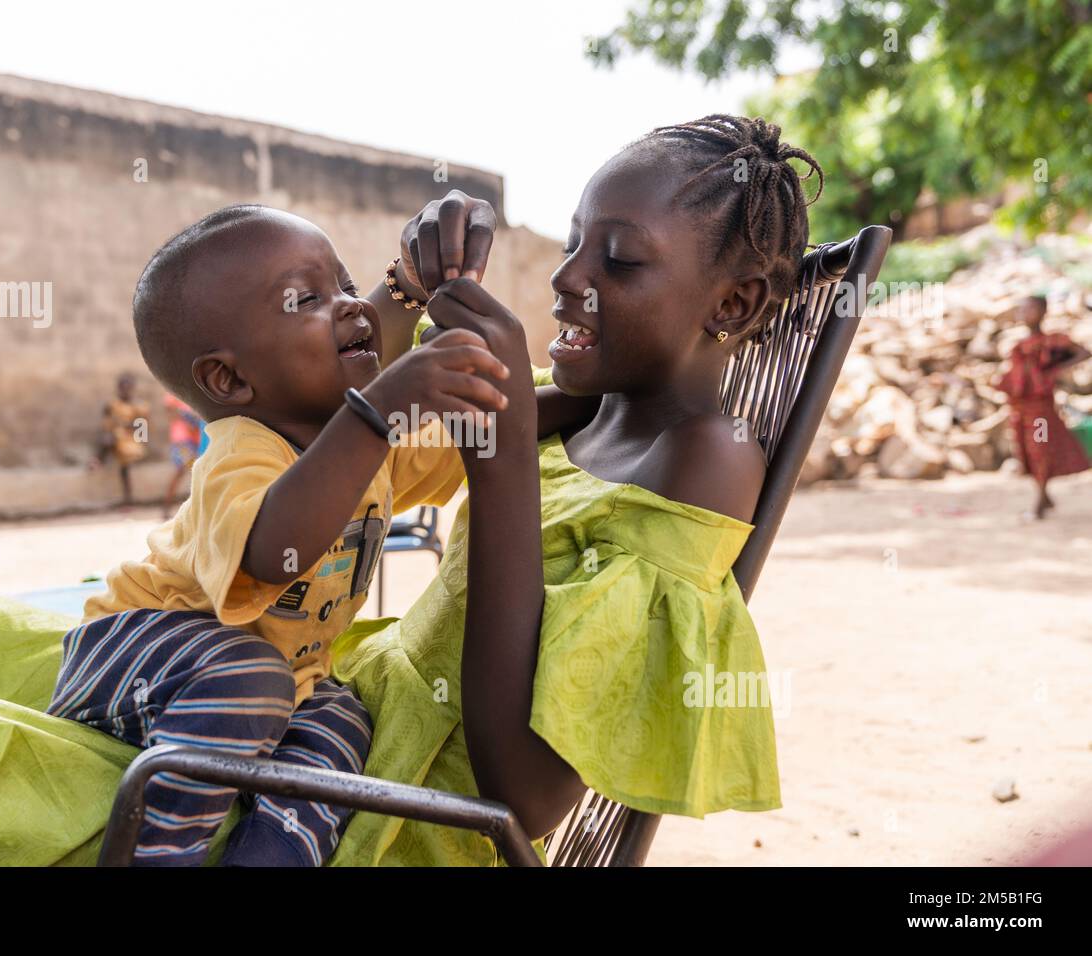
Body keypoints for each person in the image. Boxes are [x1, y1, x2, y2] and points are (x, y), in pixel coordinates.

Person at [329, 115, 815, 865]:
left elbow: (523, 801)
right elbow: (336, 421)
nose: (565, 278)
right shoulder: (589, 403)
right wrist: (409, 282)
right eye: (572, 244)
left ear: (731, 305)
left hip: (396, 826)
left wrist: (503, 460)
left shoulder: (706, 457)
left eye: (618, 260)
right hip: (348, 737)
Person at [52, 205, 584, 866]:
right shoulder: (240, 453)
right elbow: (279, 552)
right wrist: (380, 410)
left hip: (285, 679)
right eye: (307, 299)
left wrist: (603, 391)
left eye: (345, 282)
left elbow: (498, 422)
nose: (353, 308)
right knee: (249, 675)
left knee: (342, 728)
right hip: (129, 654)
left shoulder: (375, 443)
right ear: (230, 379)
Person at [996, 294, 1090, 519]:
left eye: (1029, 309)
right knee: (1026, 452)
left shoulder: (1053, 341)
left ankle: (1038, 504)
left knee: (1040, 449)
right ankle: (1045, 497)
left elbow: (1084, 352)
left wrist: (1055, 370)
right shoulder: (1019, 343)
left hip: (1040, 411)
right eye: (1022, 309)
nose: (1024, 313)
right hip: (1019, 409)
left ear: (1042, 312)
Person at [91, 373, 149, 506]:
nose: (125, 391)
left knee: (125, 466)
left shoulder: (139, 407)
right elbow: (107, 425)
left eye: (128, 388)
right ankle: (98, 460)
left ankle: (128, 500)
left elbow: (142, 430)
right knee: (108, 439)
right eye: (123, 388)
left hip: (131, 441)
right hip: (117, 438)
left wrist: (128, 427)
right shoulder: (112, 405)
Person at [162, 392, 202, 518]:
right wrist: (188, 416)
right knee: (193, 472)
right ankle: (168, 509)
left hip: (194, 439)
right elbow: (171, 413)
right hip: (183, 440)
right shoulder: (174, 394)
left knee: (188, 472)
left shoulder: (192, 394)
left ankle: (167, 508)